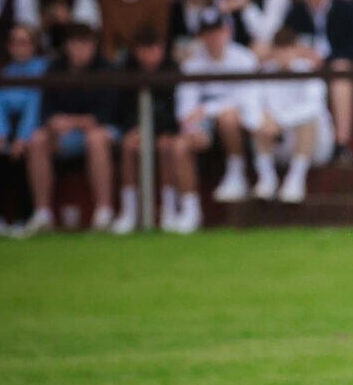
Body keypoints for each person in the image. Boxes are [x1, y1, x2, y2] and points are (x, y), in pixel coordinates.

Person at [28, 22, 122, 232]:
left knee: (96, 138)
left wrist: (71, 122)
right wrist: (56, 123)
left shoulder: (106, 69)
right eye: (76, 44)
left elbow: (104, 116)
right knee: (37, 139)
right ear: (67, 46)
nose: (81, 49)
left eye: (86, 44)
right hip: (65, 135)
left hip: (105, 131)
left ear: (94, 45)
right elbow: (47, 113)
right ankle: (42, 214)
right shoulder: (54, 69)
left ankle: (104, 212)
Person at [177, 13, 264, 212]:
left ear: (227, 32)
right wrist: (191, 129)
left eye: (217, 32)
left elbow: (246, 99)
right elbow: (186, 107)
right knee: (179, 146)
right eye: (208, 33)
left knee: (228, 118)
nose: (213, 38)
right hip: (203, 124)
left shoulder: (244, 58)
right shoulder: (192, 64)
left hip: (242, 122)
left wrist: (209, 109)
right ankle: (189, 211)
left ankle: (237, 173)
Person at [282, 0, 353, 160]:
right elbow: (285, 43)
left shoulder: (348, 9)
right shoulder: (296, 12)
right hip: (307, 69)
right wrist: (302, 54)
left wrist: (325, 59)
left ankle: (341, 142)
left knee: (340, 72)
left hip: (340, 70)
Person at [116, 28, 190, 233]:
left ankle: (169, 210)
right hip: (136, 130)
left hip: (166, 131)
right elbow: (122, 110)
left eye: (154, 48)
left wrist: (160, 131)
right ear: (136, 51)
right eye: (144, 49)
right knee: (128, 145)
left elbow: (177, 110)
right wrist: (134, 129)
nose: (150, 54)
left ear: (162, 49)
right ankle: (129, 212)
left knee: (166, 145)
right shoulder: (126, 72)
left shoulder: (173, 70)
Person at [0, 25, 49, 236]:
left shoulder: (43, 69)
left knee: (22, 152)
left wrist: (22, 137)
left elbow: (35, 104)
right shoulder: (3, 72)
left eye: (24, 42)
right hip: (6, 127)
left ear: (34, 46)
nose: (19, 47)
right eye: (15, 42)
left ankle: (24, 217)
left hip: (33, 125)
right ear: (9, 46)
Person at [250, 27, 329, 203]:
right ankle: (266, 179)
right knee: (259, 120)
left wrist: (279, 121)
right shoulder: (264, 72)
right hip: (277, 141)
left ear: (297, 49)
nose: (284, 54)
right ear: (273, 50)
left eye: (288, 48)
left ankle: (295, 180)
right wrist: (266, 119)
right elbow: (251, 103)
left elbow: (313, 107)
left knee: (309, 121)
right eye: (280, 49)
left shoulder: (309, 71)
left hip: (312, 147)